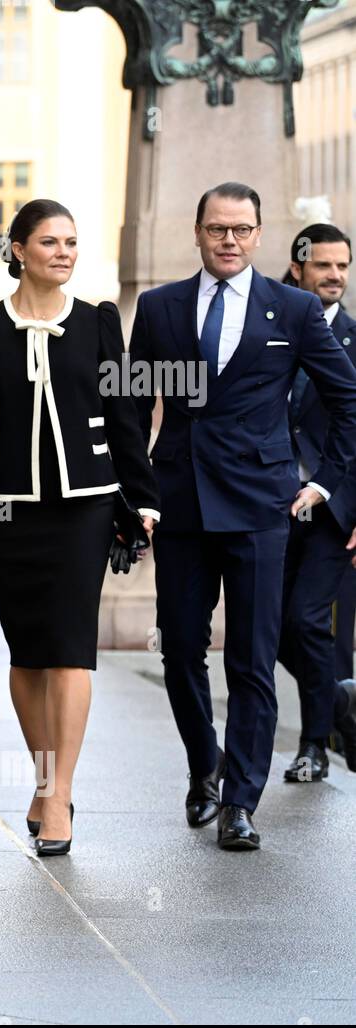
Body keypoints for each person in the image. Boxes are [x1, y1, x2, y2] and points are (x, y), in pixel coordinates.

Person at [130, 183, 356, 851]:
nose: (229, 240)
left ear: (259, 236)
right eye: (217, 228)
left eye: (242, 229)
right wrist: (136, 491)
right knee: (179, 648)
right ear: (197, 233)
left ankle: (240, 803)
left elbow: (348, 399)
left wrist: (323, 484)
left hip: (262, 507)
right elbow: (134, 402)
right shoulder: (161, 307)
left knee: (253, 660)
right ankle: (206, 764)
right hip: (180, 503)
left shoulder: (291, 308)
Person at [0, 199, 160, 857]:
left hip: (86, 507)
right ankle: (41, 776)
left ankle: (58, 793)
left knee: (70, 648)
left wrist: (142, 499)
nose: (63, 252)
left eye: (71, 242)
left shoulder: (97, 322)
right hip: (9, 511)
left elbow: (124, 415)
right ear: (18, 249)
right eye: (49, 242)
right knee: (27, 653)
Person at [277, 223, 356, 780]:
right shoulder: (271, 329)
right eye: (324, 265)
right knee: (273, 628)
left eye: (343, 266)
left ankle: (314, 744)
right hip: (272, 507)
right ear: (299, 267)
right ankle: (342, 707)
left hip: (334, 510)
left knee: (311, 622)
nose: (335, 276)